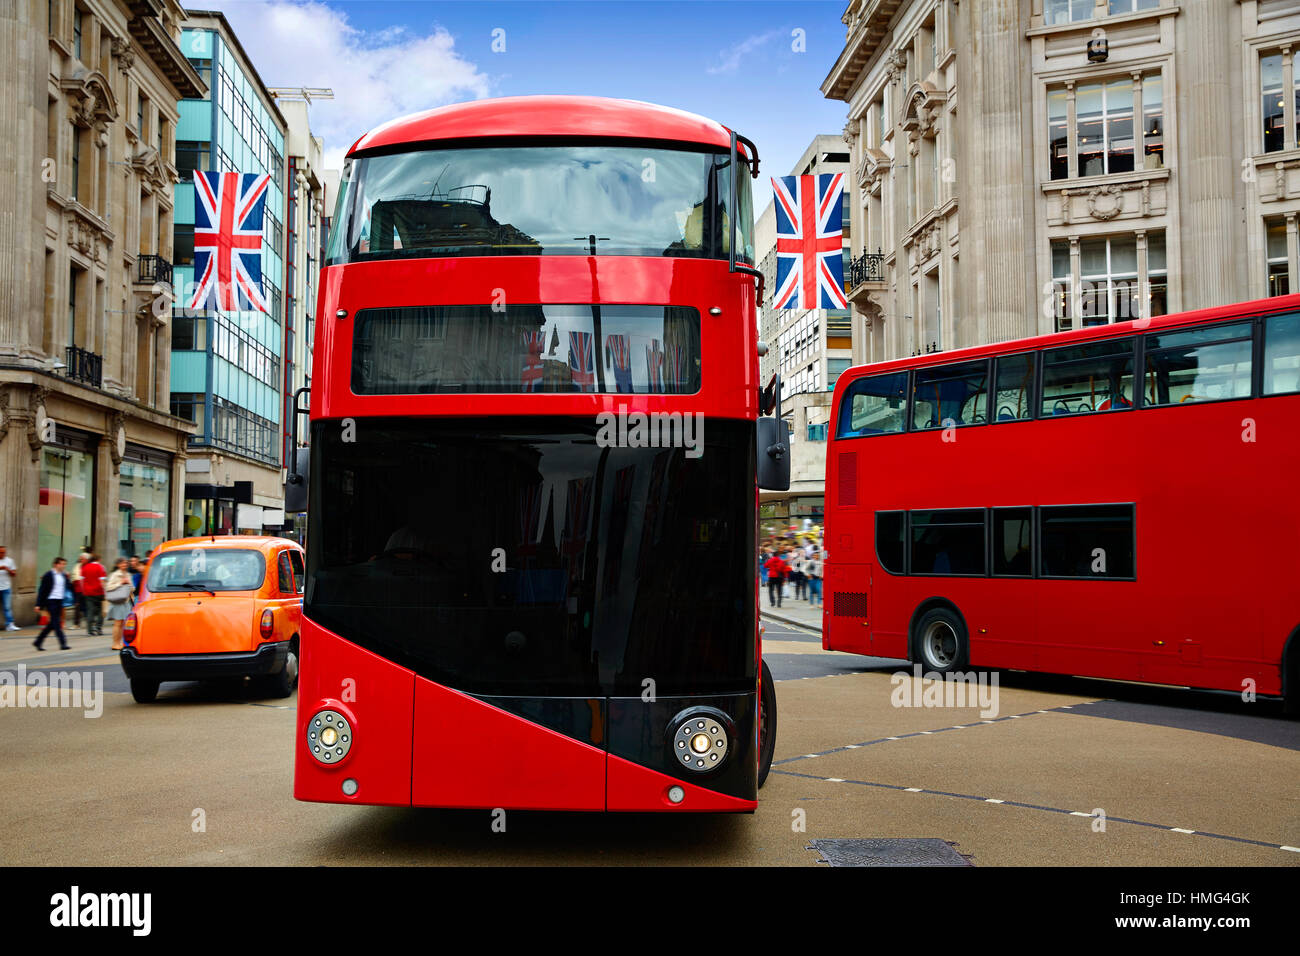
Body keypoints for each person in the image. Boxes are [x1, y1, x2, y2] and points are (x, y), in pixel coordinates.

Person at [33, 557, 70, 650]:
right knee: (56, 622)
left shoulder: (64, 575)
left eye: (64, 564)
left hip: (59, 600)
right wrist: (38, 604)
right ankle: (63, 643)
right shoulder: (48, 575)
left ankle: (38, 641)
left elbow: (69, 587)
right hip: (50, 601)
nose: (63, 566)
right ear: (55, 564)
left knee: (52, 624)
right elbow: (42, 590)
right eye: (61, 564)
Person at [104, 558, 136, 651]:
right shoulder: (114, 575)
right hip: (118, 601)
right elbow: (108, 587)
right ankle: (115, 643)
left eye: (126, 563)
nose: (124, 565)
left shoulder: (128, 574)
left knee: (123, 623)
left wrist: (129, 584)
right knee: (117, 623)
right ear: (118, 565)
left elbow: (133, 589)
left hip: (126, 601)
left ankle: (121, 642)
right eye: (122, 563)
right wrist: (120, 583)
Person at [79, 552, 106, 636]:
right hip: (99, 592)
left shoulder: (84, 567)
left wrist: (83, 590)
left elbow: (81, 581)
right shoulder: (100, 567)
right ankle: (98, 628)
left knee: (90, 611)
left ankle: (90, 630)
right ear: (99, 559)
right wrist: (105, 592)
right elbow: (102, 581)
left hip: (87, 592)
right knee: (100, 611)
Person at [0, 545, 17, 631]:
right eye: (1, 552)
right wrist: (1, 568)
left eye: (4, 552)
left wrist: (8, 570)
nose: (2, 554)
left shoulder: (10, 561)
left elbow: (14, 574)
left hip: (6, 588)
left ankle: (9, 625)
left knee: (7, 607)